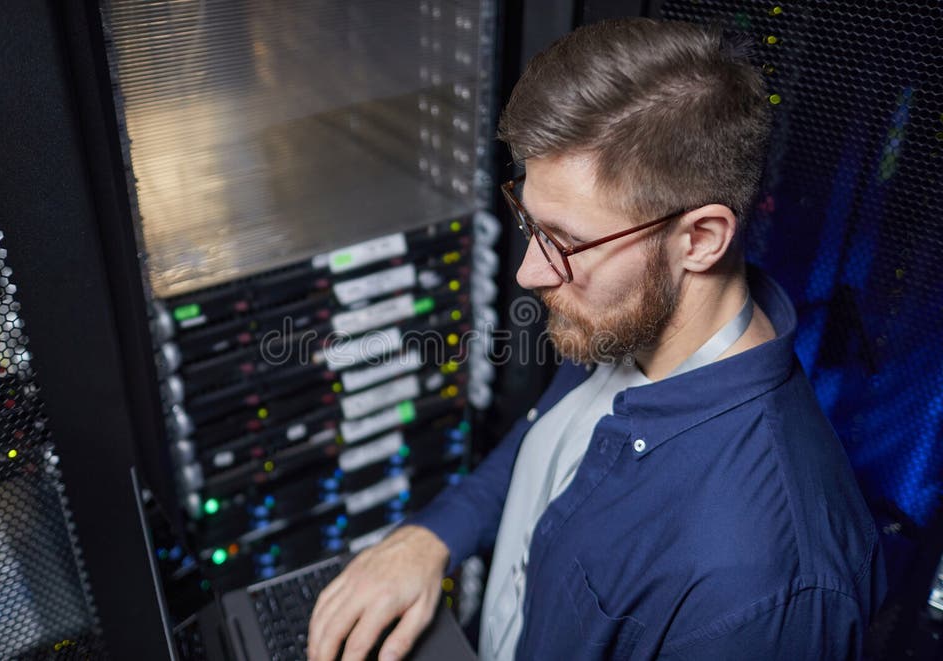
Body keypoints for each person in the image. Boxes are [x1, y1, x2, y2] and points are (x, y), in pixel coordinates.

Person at [307, 17, 887, 661]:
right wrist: (432, 537)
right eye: (532, 221)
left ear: (699, 239)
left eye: (569, 242)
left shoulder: (764, 589)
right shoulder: (627, 317)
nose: (530, 273)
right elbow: (551, 443)